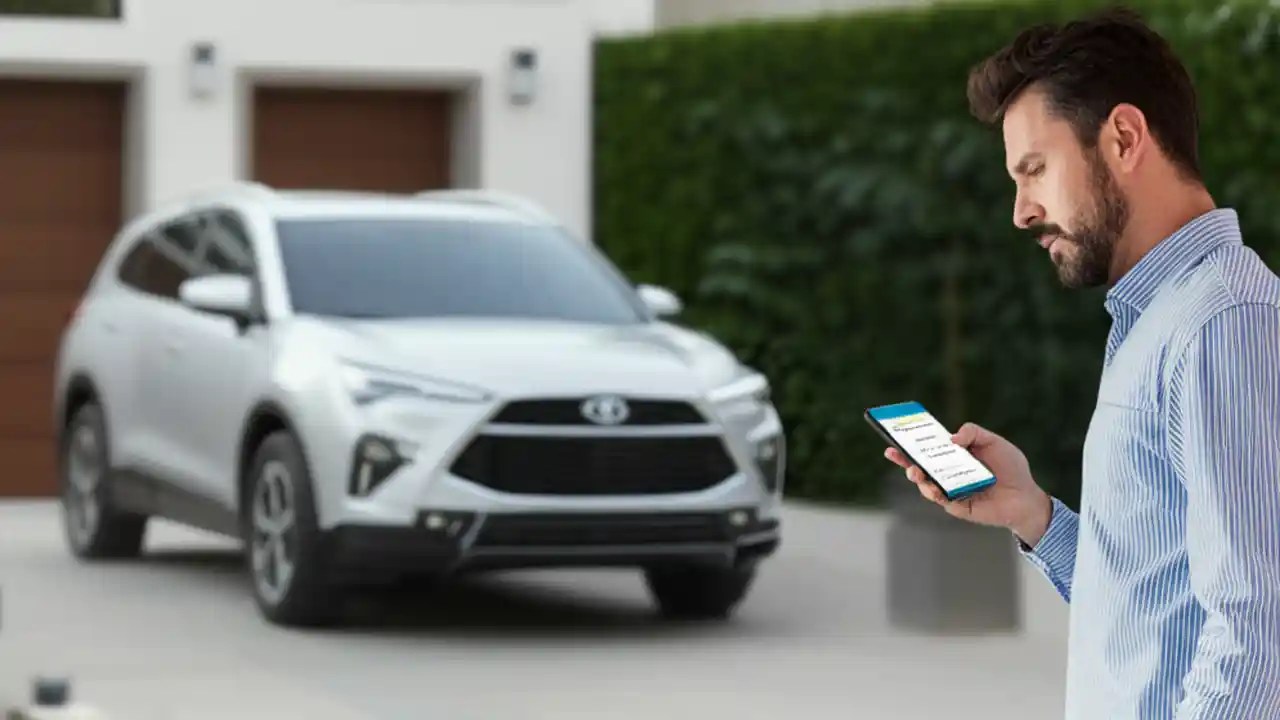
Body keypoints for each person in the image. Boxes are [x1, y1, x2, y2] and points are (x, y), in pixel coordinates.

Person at [882, 6, 1280, 719]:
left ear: (1124, 137)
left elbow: (1260, 629)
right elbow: (1149, 596)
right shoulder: (1155, 319)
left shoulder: (1222, 321)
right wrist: (1033, 515)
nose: (1021, 211)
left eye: (1033, 169)